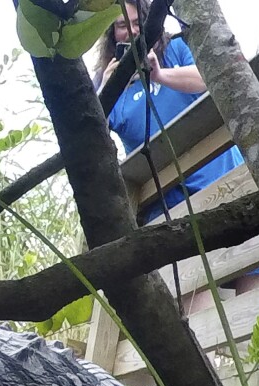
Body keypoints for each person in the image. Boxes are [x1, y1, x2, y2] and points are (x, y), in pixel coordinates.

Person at [95, 0, 245, 227]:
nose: (132, 31)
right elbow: (93, 138)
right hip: (166, 205)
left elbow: (207, 77)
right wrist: (107, 89)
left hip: (223, 176)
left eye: (138, 22)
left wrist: (160, 75)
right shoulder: (106, 83)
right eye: (122, 26)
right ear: (112, 34)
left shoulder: (176, 47)